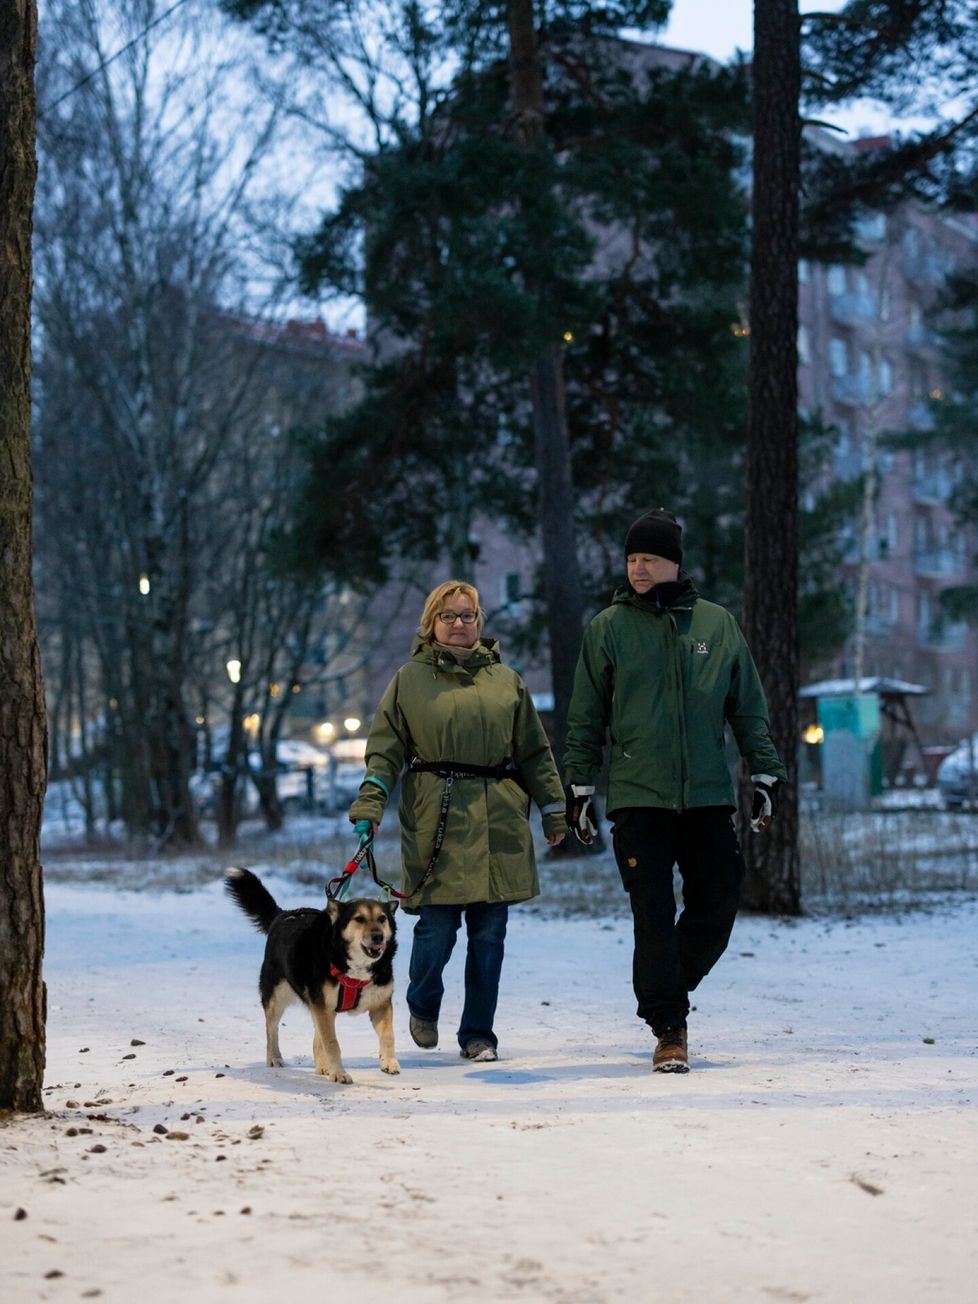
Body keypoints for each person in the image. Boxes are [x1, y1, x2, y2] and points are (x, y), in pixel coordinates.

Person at [563, 509, 786, 1073]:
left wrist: (764, 773)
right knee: (653, 913)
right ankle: (669, 1028)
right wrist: (580, 786)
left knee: (720, 894)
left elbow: (749, 708)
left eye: (650, 559)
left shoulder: (716, 625)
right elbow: (586, 718)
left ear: (674, 563)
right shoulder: (608, 629)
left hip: (708, 794)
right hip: (640, 797)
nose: (638, 568)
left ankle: (665, 985)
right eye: (632, 559)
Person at [348, 579, 566, 1063]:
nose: (459, 624)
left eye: (467, 615)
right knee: (435, 931)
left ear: (479, 621)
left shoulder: (506, 680)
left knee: (489, 936)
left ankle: (478, 1034)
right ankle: (422, 1004)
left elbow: (533, 750)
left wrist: (554, 805)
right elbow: (385, 753)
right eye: (448, 616)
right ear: (431, 624)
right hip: (437, 819)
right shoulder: (409, 679)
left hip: (499, 820)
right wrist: (370, 805)